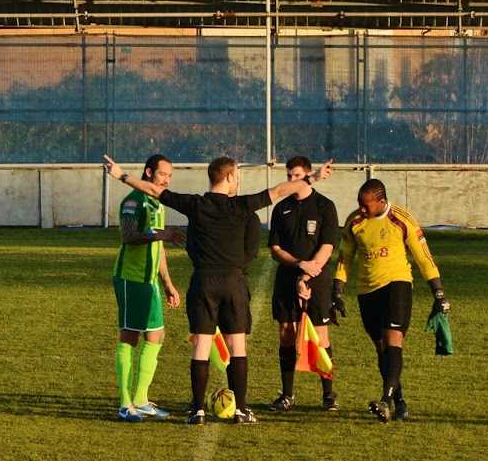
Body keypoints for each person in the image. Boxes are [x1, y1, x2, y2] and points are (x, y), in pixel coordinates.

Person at [104, 153, 333, 426]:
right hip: (233, 282)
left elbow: (154, 189)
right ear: (227, 178)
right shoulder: (242, 205)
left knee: (201, 346)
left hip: (203, 282)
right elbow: (280, 190)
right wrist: (312, 178)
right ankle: (242, 409)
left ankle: (197, 410)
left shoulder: (195, 204)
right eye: (236, 176)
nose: (238, 181)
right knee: (237, 346)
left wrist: (122, 176)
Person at [332, 177, 450, 423]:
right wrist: (337, 293)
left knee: (393, 339)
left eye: (367, 205)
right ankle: (399, 403)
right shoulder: (354, 222)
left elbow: (424, 258)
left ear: (382, 201)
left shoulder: (402, 220)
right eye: (360, 204)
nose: (362, 209)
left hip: (397, 284)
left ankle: (384, 400)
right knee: (381, 348)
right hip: (367, 291)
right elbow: (345, 258)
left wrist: (438, 293)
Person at [111, 154, 185, 422]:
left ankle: (141, 400)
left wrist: (168, 284)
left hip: (150, 281)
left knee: (156, 335)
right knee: (129, 335)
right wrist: (160, 235)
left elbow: (159, 246)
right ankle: (124, 404)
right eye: (163, 174)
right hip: (131, 279)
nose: (166, 180)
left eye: (170, 176)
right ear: (148, 172)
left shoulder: (158, 203)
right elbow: (128, 237)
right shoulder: (134, 200)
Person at [265, 156, 341, 413]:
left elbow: (327, 247)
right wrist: (299, 266)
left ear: (307, 175)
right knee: (287, 334)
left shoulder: (325, 206)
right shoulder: (281, 208)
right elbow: (275, 249)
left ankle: (328, 395)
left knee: (320, 337)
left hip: (317, 280)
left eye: (296, 175)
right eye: (288, 176)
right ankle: (287, 395)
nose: (291, 180)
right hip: (287, 278)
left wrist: (307, 275)